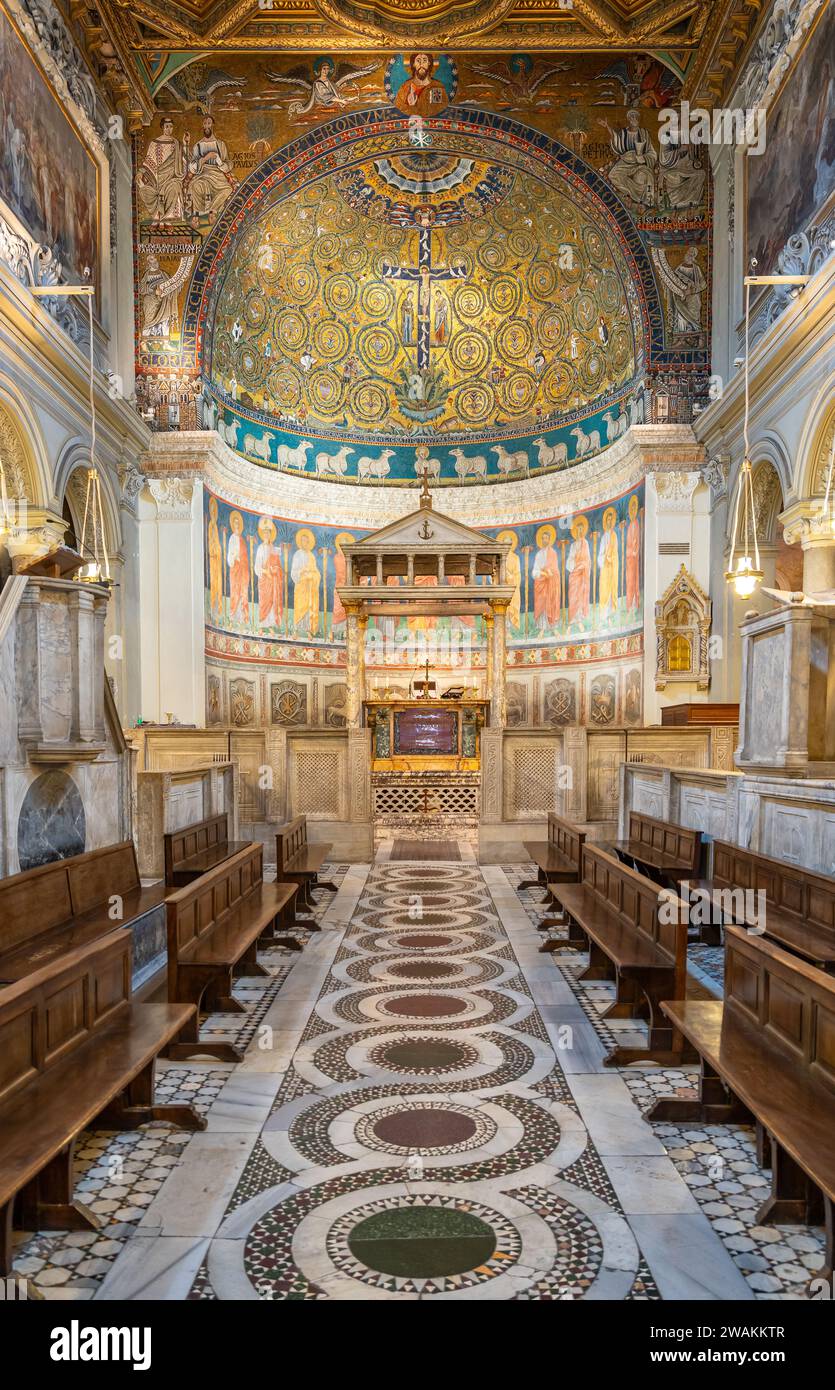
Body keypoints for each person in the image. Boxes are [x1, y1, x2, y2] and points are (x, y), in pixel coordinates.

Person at [186, 116, 235, 220]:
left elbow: (228, 163)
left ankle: (213, 210)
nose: (207, 126)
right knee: (197, 186)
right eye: (205, 123)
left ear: (213, 125)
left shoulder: (221, 144)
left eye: (209, 123)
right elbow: (192, 166)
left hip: (218, 176)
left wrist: (219, 161)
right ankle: (196, 215)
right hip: (203, 174)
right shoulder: (198, 146)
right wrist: (205, 158)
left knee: (228, 189)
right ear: (202, 126)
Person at [137, 116, 185, 224]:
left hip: (172, 176)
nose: (169, 129)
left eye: (171, 127)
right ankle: (157, 218)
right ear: (162, 127)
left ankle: (167, 220)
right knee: (154, 192)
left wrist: (185, 144)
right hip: (158, 175)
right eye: (167, 126)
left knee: (174, 188)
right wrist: (141, 172)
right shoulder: (155, 142)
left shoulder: (176, 143)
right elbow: (149, 159)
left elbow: (181, 160)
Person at [255, 516, 283, 628]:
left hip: (273, 580)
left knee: (273, 602)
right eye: (264, 533)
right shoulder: (260, 548)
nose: (266, 535)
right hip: (264, 580)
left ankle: (271, 626)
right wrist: (266, 571)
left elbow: (278, 565)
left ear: (271, 534)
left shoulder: (274, 549)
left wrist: (276, 569)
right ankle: (262, 625)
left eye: (268, 533)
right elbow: (257, 566)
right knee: (264, 602)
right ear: (262, 534)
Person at [291, 529, 320, 635]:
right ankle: (296, 630)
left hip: (310, 587)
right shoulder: (297, 555)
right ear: (300, 542)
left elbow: (316, 572)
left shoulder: (311, 556)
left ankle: (308, 630)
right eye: (303, 541)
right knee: (299, 607)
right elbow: (293, 571)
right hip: (301, 586)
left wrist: (314, 576)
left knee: (309, 607)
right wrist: (302, 571)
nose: (305, 543)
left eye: (307, 541)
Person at [532, 524, 560, 633]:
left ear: (550, 540)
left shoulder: (553, 553)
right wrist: (543, 573)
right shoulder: (538, 554)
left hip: (551, 583)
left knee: (551, 602)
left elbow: (556, 569)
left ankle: (552, 627)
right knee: (542, 603)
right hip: (541, 583)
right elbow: (534, 571)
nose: (544, 540)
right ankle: (542, 629)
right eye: (543, 538)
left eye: (546, 538)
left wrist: (551, 573)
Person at [566, 516, 591, 626]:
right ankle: (573, 618)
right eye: (578, 529)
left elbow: (588, 559)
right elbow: (570, 560)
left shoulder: (586, 543)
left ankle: (580, 618)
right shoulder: (573, 545)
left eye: (581, 529)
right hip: (575, 573)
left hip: (583, 574)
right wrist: (576, 566)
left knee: (581, 595)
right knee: (573, 595)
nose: (580, 531)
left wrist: (583, 565)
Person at [227, 511, 249, 623]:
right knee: (235, 591)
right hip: (235, 569)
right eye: (235, 523)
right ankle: (233, 615)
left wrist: (243, 560)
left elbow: (245, 556)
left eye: (238, 523)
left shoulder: (242, 540)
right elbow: (230, 556)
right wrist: (235, 557)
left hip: (243, 570)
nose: (237, 525)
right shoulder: (232, 538)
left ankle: (241, 617)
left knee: (243, 592)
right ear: (233, 525)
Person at [598, 507, 619, 620]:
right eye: (608, 520)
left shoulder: (614, 536)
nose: (610, 522)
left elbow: (616, 552)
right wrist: (605, 558)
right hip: (605, 567)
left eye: (612, 520)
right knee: (604, 587)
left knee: (613, 587)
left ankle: (613, 611)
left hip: (613, 566)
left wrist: (613, 558)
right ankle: (604, 613)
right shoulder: (604, 537)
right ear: (605, 522)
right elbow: (600, 555)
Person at [207, 496, 223, 621]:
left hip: (217, 562)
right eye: (211, 511)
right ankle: (213, 612)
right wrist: (215, 552)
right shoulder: (211, 526)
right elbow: (211, 545)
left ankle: (217, 613)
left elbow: (217, 545)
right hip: (212, 562)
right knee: (214, 586)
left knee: (218, 586)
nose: (213, 514)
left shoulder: (215, 527)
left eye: (214, 512)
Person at [625, 494, 641, 614]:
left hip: (635, 559)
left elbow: (637, 541)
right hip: (630, 559)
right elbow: (629, 545)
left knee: (634, 580)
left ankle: (635, 603)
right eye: (631, 509)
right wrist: (631, 551)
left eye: (634, 509)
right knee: (630, 580)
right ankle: (630, 604)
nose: (633, 511)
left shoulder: (636, 524)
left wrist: (635, 550)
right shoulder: (630, 525)